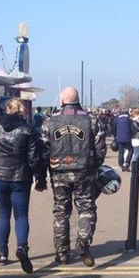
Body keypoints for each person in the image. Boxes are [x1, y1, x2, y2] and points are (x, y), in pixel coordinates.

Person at [41, 87, 107, 267]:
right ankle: (82, 242)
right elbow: (100, 148)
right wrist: (95, 165)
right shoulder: (91, 120)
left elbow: (44, 149)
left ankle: (62, 253)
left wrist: (46, 172)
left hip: (59, 171)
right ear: (78, 100)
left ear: (62, 101)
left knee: (61, 212)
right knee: (86, 209)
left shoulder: (50, 121)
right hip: (84, 171)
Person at [0, 98, 46, 272]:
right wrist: (40, 179)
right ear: (22, 111)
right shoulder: (27, 129)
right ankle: (22, 247)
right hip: (20, 175)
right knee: (21, 215)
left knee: (3, 213)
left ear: (7, 109)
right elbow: (34, 158)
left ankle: (2, 253)